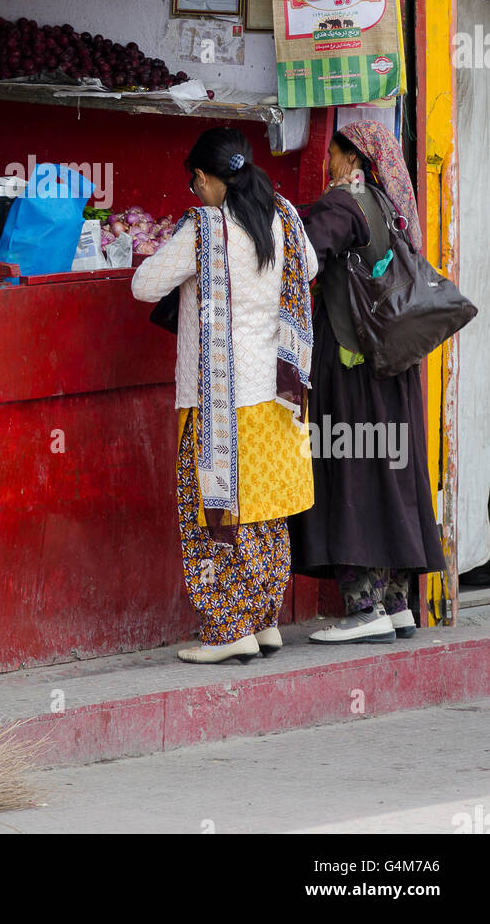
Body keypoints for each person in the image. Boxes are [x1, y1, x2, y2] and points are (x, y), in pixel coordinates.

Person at [131, 127, 318, 665]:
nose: (196, 192)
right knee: (264, 514)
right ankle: (263, 622)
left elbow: (144, 284)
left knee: (215, 513)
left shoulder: (204, 231)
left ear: (209, 178)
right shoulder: (282, 212)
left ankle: (228, 629)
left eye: (196, 182)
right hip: (276, 396)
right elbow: (307, 268)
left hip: (219, 401)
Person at [290, 122, 446, 644]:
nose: (328, 161)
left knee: (349, 469)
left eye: (332, 152)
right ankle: (396, 604)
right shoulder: (384, 201)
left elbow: (303, 256)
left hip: (351, 363)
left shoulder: (343, 201)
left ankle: (363, 609)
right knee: (391, 471)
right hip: (391, 367)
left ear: (349, 157)